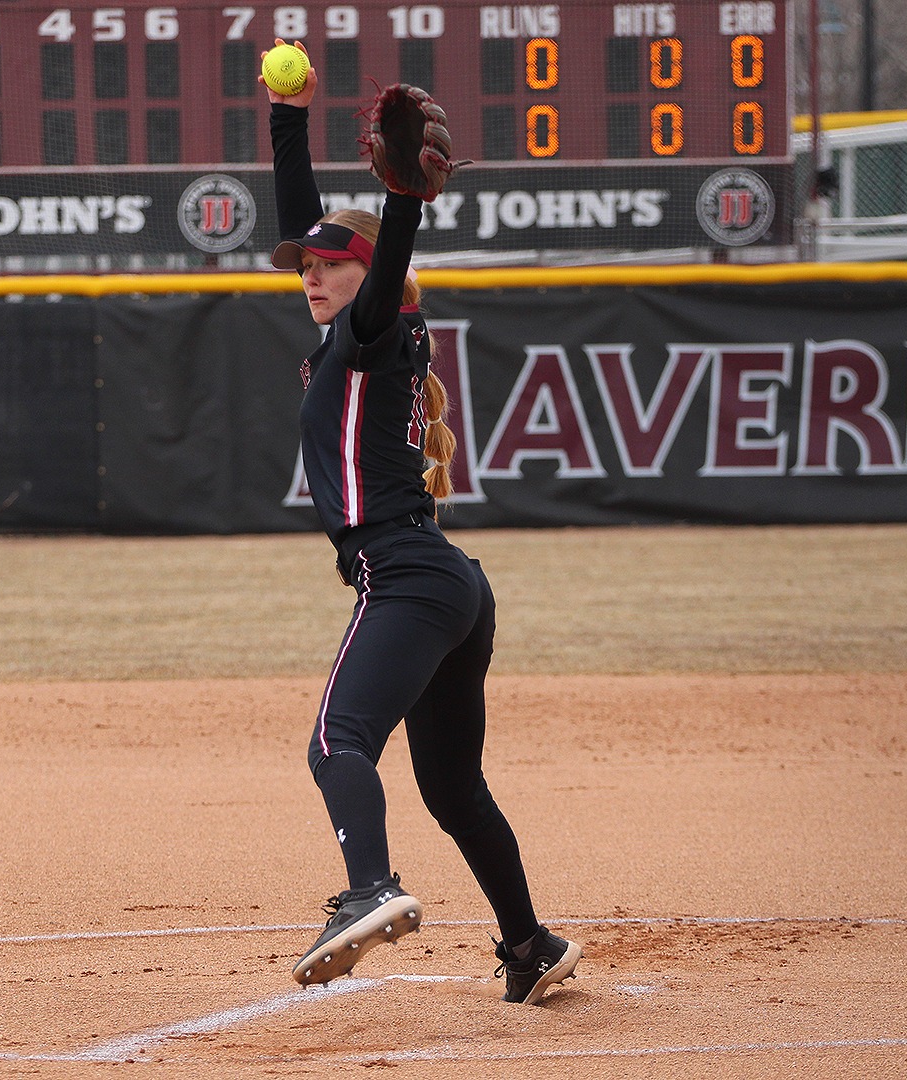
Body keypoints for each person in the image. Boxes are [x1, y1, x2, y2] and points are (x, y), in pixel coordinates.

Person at [262, 41, 581, 1006]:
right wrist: (289, 118)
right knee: (451, 788)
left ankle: (370, 887)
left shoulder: (375, 333)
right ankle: (529, 945)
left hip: (404, 576)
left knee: (335, 742)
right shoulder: (356, 333)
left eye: (330, 264)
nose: (310, 275)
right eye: (304, 264)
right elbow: (307, 223)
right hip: (449, 583)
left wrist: (399, 204)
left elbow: (386, 257)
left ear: (373, 276)